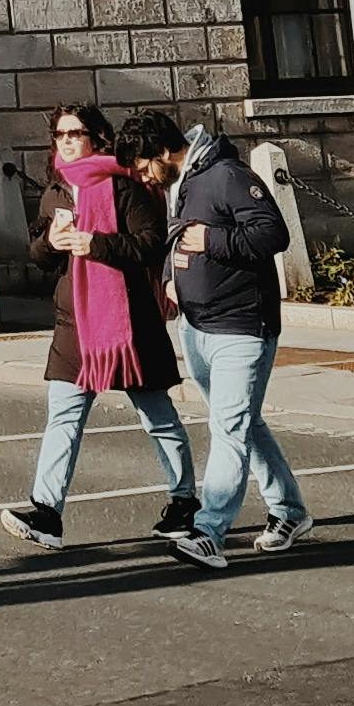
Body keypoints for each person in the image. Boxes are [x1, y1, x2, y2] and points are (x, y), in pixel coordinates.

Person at [121, 110, 312, 571]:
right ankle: (290, 511)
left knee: (229, 429)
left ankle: (208, 532)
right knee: (244, 423)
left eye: (145, 165)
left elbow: (272, 233)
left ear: (165, 151)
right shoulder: (184, 181)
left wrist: (212, 239)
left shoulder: (225, 175)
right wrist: (170, 277)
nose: (144, 175)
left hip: (242, 327)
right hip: (198, 326)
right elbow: (177, 237)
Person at [0, 104, 195, 551]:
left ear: (98, 138)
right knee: (63, 416)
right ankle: (47, 512)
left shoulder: (124, 185)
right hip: (75, 324)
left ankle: (184, 501)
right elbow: (40, 254)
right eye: (60, 134)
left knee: (156, 416)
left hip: (127, 324)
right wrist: (49, 244)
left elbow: (151, 244)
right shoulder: (55, 191)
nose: (66, 141)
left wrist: (98, 244)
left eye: (76, 133)